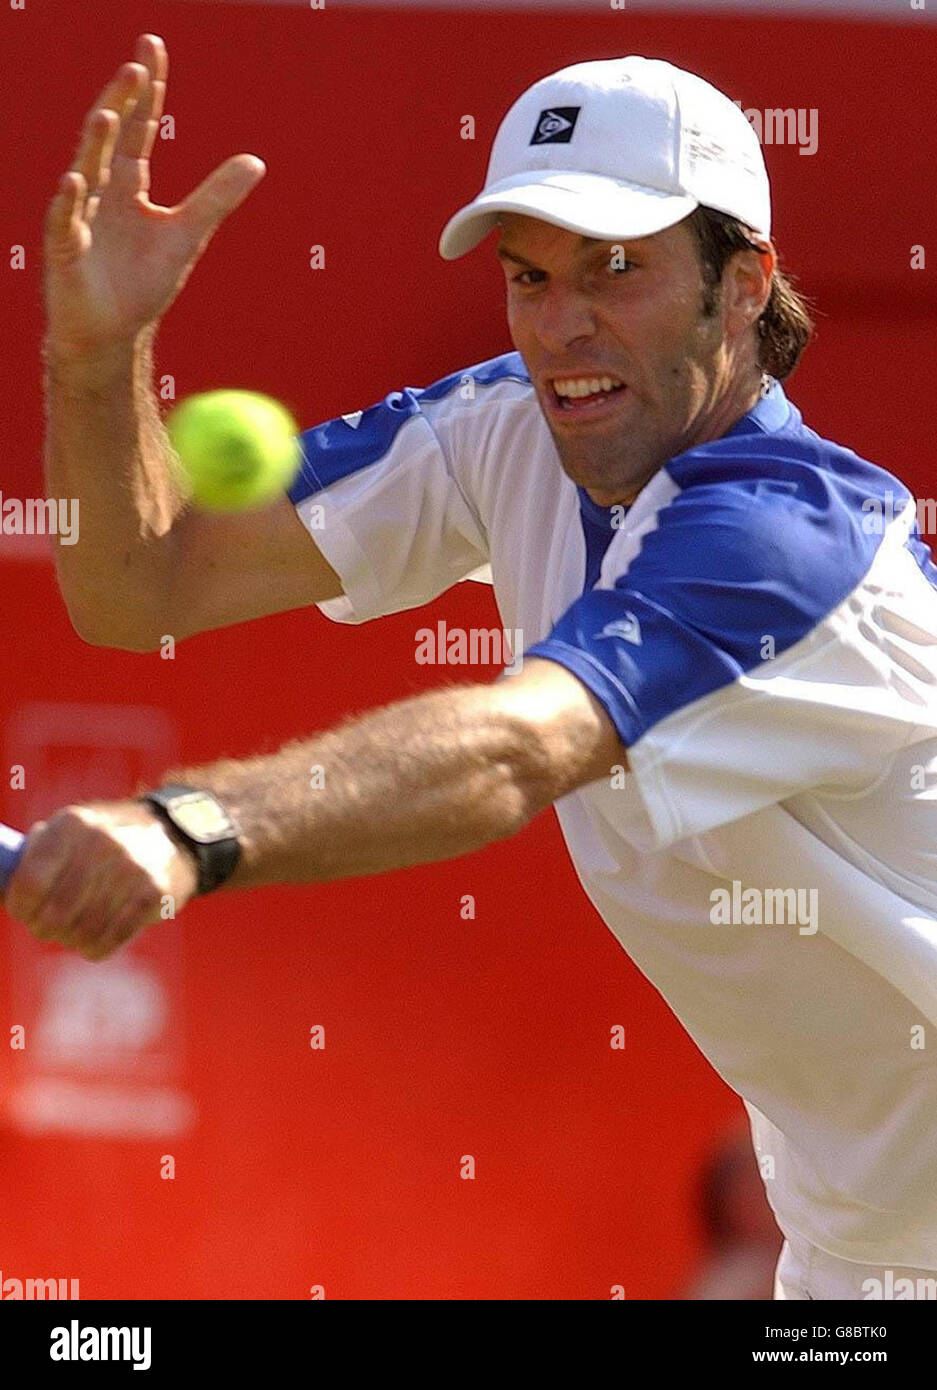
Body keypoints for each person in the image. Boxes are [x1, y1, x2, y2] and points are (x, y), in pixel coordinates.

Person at [18, 36, 937, 1299]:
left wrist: (189, 828)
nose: (561, 325)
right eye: (528, 274)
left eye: (615, 268)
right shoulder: (513, 420)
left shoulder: (788, 536)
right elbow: (141, 586)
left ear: (742, 285)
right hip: (854, 1245)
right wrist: (93, 355)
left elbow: (517, 749)